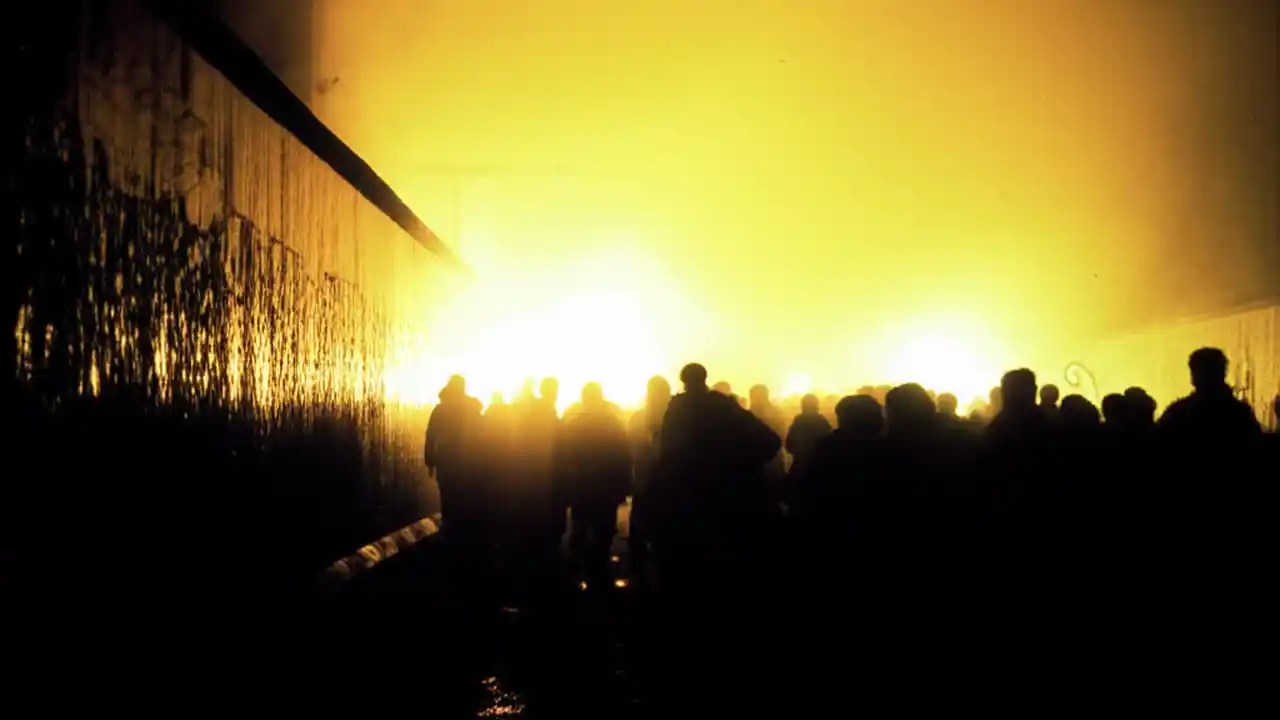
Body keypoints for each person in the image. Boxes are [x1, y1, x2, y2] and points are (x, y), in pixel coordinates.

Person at [563, 383, 632, 591]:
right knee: (603, 533)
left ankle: (574, 576)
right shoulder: (613, 425)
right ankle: (599, 575)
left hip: (583, 488)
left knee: (580, 531)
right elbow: (624, 458)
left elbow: (566, 459)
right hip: (605, 489)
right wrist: (624, 487)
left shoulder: (574, 425)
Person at [424, 375, 484, 534]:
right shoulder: (472, 408)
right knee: (463, 492)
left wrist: (430, 461)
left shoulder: (440, 409)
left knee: (447, 492)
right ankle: (460, 527)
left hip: (445, 459)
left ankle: (449, 525)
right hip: (466, 460)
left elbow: (431, 434)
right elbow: (481, 435)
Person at [784, 394, 832, 503]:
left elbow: (789, 444)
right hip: (820, 469)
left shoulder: (799, 421)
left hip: (801, 467)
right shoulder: (822, 422)